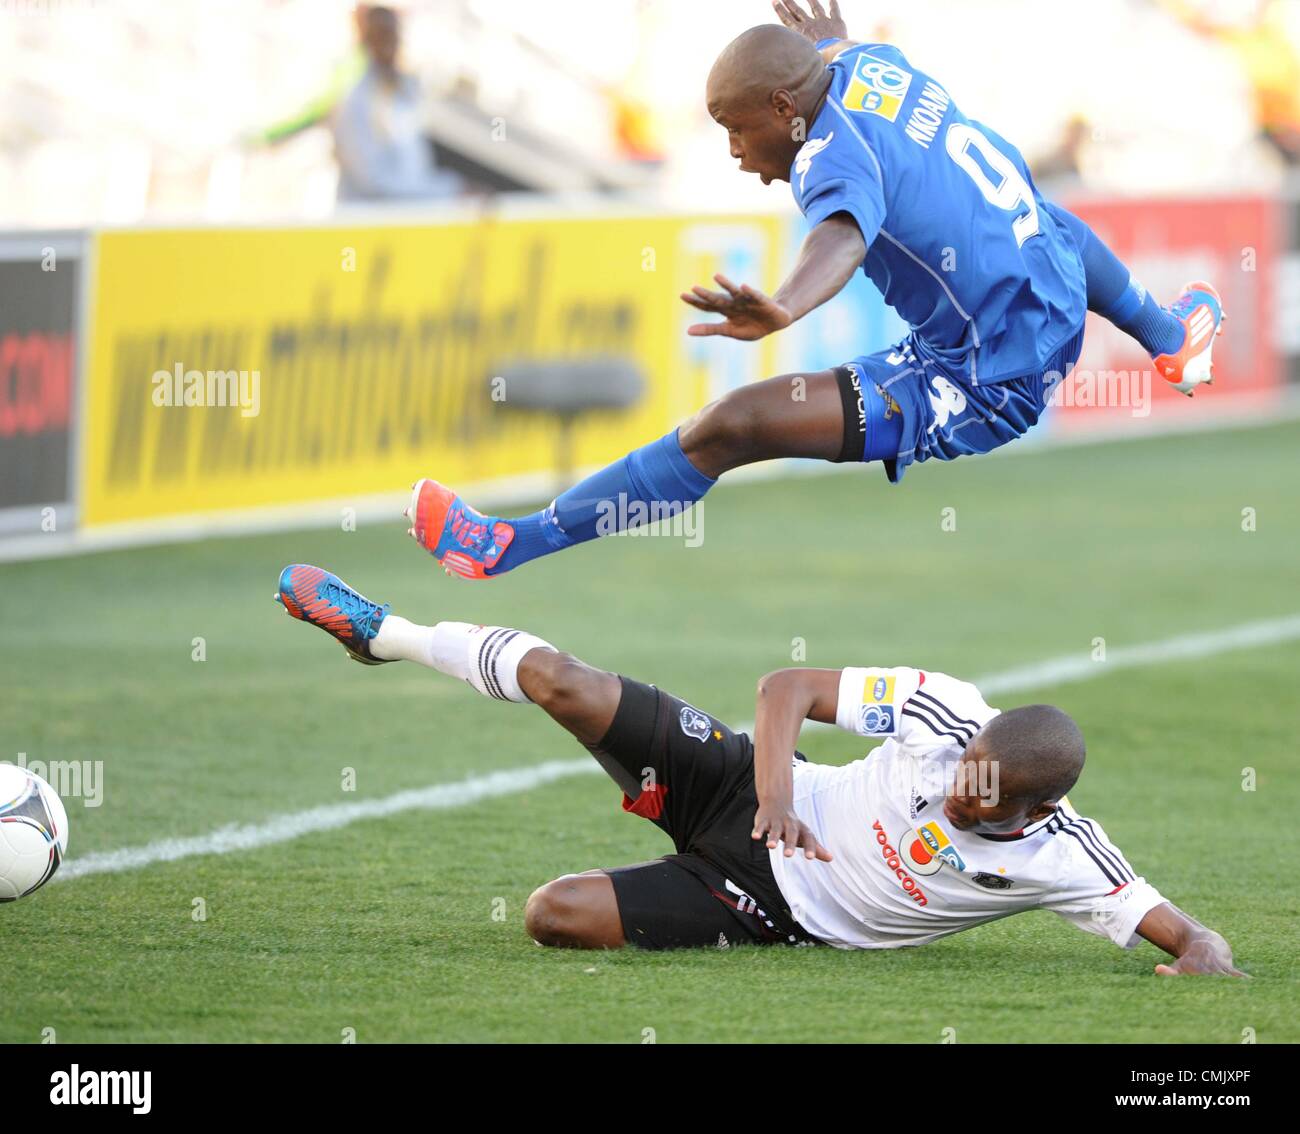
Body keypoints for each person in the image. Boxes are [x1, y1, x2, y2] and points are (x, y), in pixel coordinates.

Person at [399, 2, 1224, 581]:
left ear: (784, 107)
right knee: (1050, 218)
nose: (731, 149)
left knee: (731, 425)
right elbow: (837, 73)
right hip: (1047, 278)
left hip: (985, 377)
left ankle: (503, 545)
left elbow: (841, 235)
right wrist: (834, 40)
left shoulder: (829, 157)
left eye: (735, 126)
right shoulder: (867, 63)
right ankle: (1168, 337)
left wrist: (787, 305)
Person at [272, 562, 1246, 974]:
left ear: (1033, 814)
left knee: (549, 917)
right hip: (744, 786)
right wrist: (775, 793)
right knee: (562, 681)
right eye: (955, 775)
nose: (952, 792)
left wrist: (1198, 964)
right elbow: (786, 686)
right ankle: (387, 635)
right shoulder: (945, 710)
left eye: (974, 803)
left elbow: (1195, 941)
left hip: (761, 904)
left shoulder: (1069, 859)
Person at [331, 5, 460, 203]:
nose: (388, 44)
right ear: (366, 41)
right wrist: (449, 191)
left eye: (392, 35)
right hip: (371, 224)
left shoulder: (408, 90)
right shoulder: (354, 100)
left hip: (408, 218)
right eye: (380, 36)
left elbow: (415, 168)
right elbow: (375, 183)